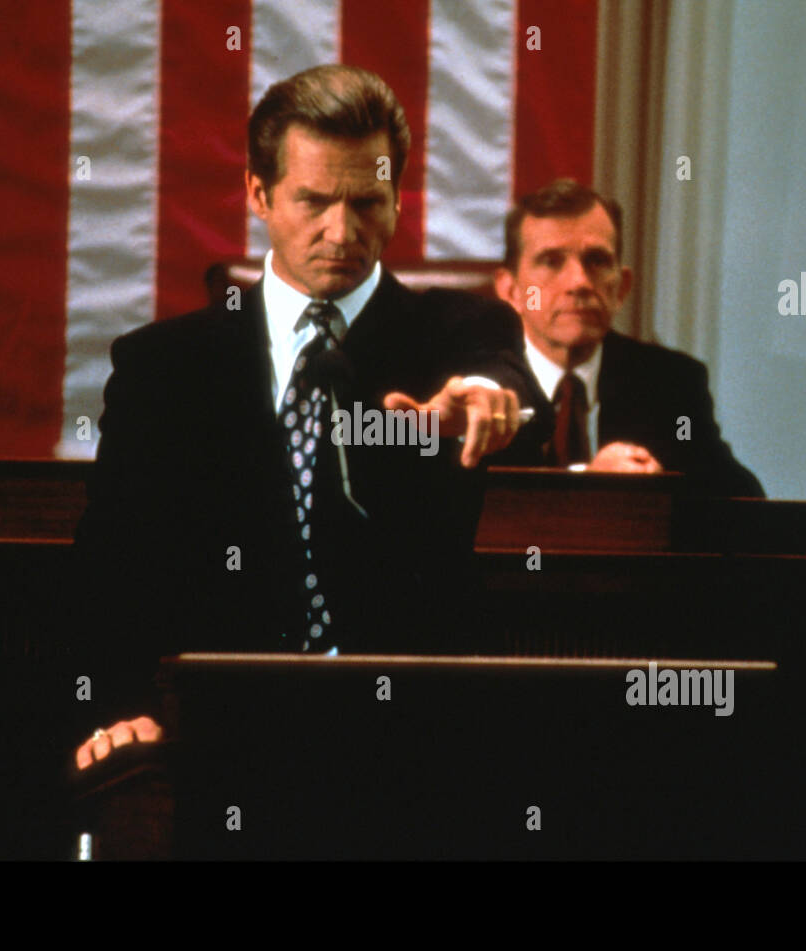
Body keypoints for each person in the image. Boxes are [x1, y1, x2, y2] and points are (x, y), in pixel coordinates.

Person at [72, 65, 538, 769]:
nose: (341, 231)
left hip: (417, 743)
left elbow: (497, 369)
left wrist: (483, 390)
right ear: (259, 193)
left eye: (367, 202)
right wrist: (119, 710)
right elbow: (112, 573)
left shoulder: (458, 331)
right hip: (213, 736)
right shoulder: (162, 368)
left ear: (398, 200)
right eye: (314, 200)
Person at [494, 179, 764, 497]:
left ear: (621, 287)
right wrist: (590, 479)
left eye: (596, 261)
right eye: (552, 261)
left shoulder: (670, 383)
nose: (579, 282)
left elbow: (742, 503)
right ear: (511, 291)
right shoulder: (479, 384)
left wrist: (661, 484)